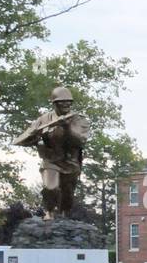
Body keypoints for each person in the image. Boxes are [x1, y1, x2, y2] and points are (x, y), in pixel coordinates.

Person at [12, 86, 90, 220]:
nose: (66, 104)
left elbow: (80, 140)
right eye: (62, 101)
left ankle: (65, 214)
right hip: (51, 160)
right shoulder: (44, 119)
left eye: (69, 101)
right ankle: (49, 212)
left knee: (68, 193)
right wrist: (34, 135)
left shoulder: (79, 120)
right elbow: (21, 140)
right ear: (54, 103)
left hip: (71, 162)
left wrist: (66, 127)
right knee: (50, 187)